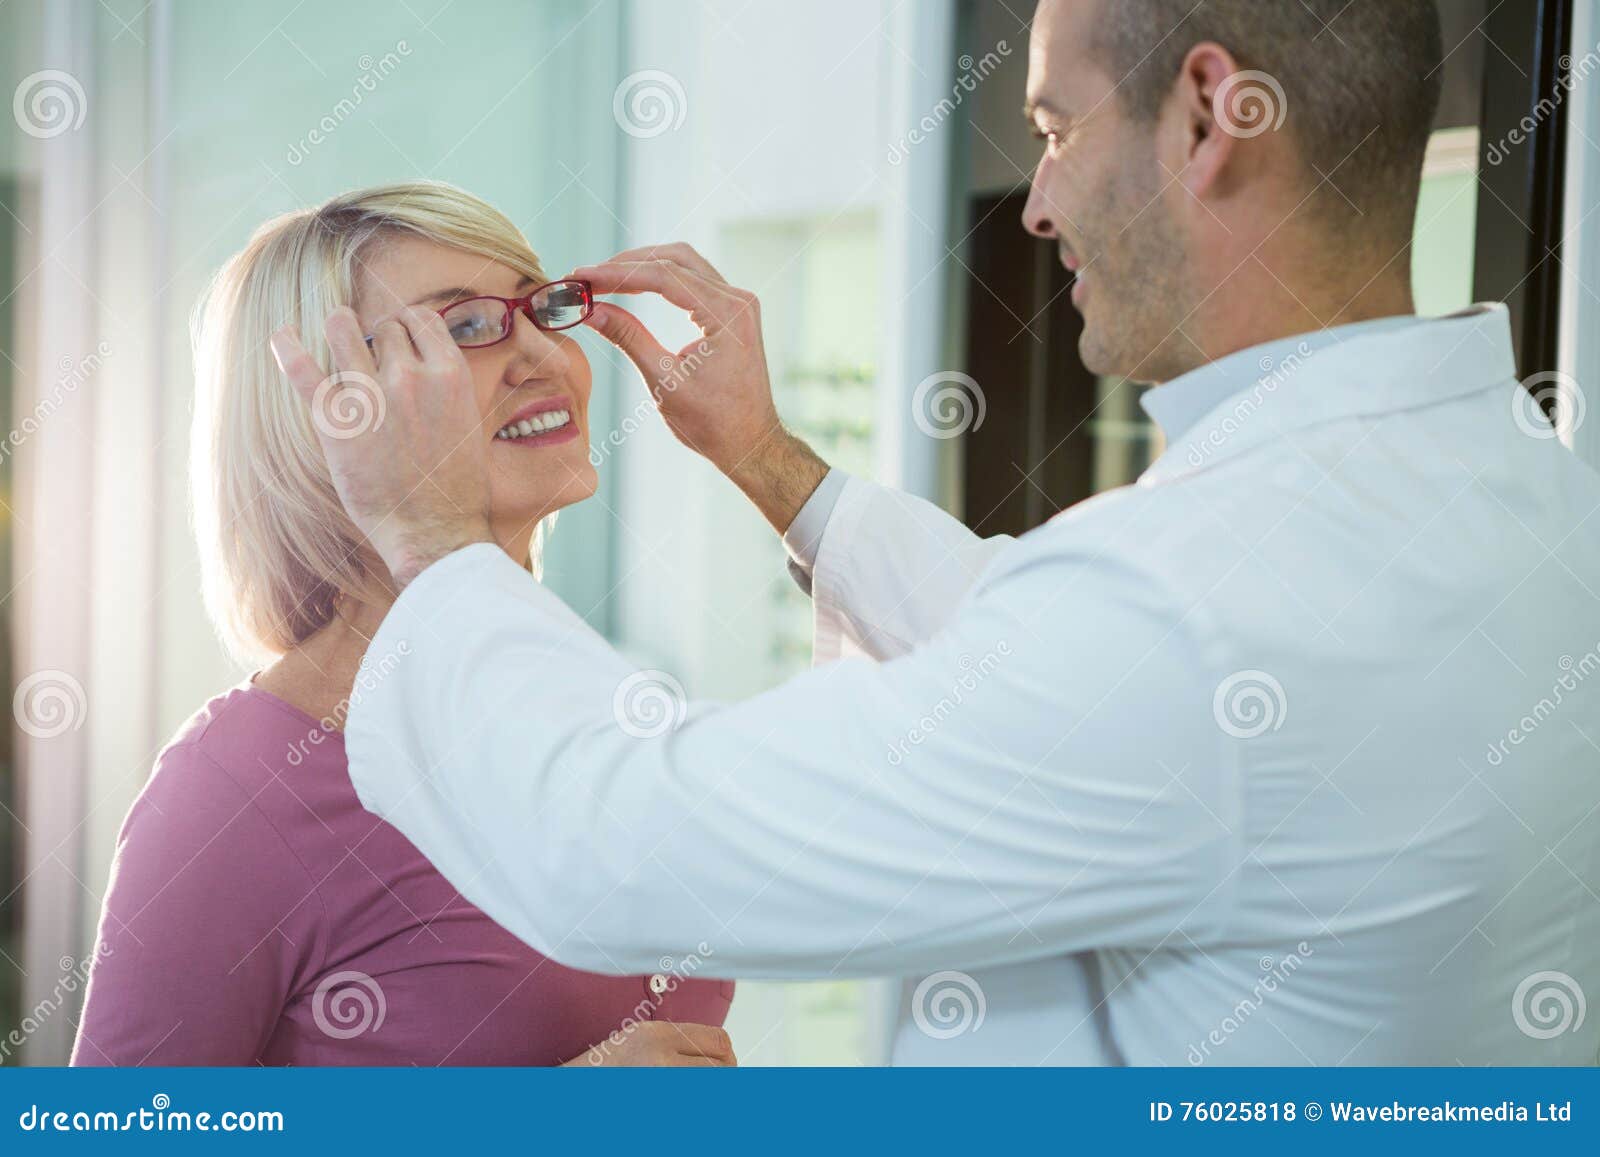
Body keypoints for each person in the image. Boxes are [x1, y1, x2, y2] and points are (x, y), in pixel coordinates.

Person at [276, 0, 1600, 1065]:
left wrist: (424, 527)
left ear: (1208, 115)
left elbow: (614, 838)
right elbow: (1049, 649)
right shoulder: (1532, 501)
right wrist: (773, 466)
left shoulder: (1190, 611)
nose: (1035, 204)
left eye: (1057, 128)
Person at [72, 182, 735, 1067]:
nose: (543, 355)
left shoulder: (602, 719)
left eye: (541, 309)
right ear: (328, 418)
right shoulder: (234, 796)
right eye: (461, 329)